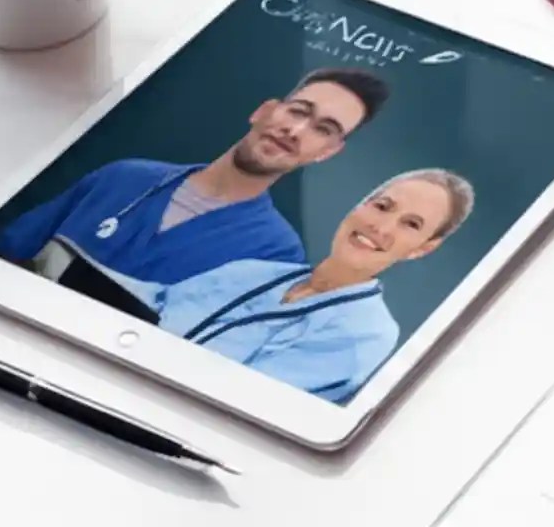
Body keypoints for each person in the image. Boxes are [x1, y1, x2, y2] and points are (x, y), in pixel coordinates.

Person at [0, 67, 391, 318]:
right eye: (298, 111)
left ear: (326, 153)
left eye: (323, 130)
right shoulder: (123, 179)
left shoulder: (276, 256)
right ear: (265, 111)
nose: (296, 130)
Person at [93, 168, 475, 405]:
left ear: (423, 248)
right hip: (108, 382)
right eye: (382, 206)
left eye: (411, 225)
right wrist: (67, 263)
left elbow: (234, 402)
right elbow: (149, 301)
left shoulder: (366, 333)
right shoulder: (254, 272)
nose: (381, 226)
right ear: (358, 206)